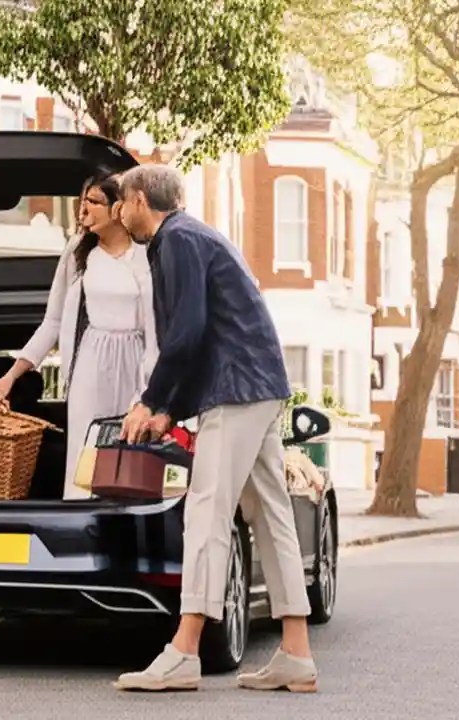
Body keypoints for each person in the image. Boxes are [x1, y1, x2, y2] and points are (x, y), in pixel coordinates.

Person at [109, 164, 318, 693]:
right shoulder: (190, 236)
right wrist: (169, 410)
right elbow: (200, 333)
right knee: (271, 515)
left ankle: (183, 651)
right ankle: (296, 652)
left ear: (139, 199)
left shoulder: (176, 239)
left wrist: (152, 401)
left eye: (121, 201)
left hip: (236, 386)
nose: (116, 211)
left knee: (206, 509)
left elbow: (187, 333)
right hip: (258, 382)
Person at [0, 173, 157, 500]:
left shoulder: (146, 255)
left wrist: (151, 390)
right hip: (91, 365)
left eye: (93, 202)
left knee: (130, 461)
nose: (83, 210)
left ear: (119, 207)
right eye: (82, 201)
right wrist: (10, 377)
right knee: (86, 460)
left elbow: (155, 331)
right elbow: (52, 322)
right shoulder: (78, 252)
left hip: (135, 365)